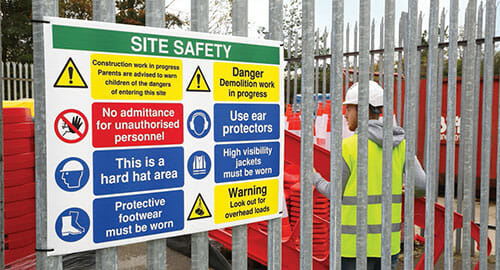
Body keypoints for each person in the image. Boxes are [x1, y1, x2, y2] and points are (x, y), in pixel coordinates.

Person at [313, 81, 426, 270]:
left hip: (352, 250)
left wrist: (315, 178)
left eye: (348, 109)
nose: (345, 114)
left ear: (361, 110)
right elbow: (422, 186)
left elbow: (335, 193)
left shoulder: (348, 148)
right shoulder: (401, 145)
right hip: (387, 246)